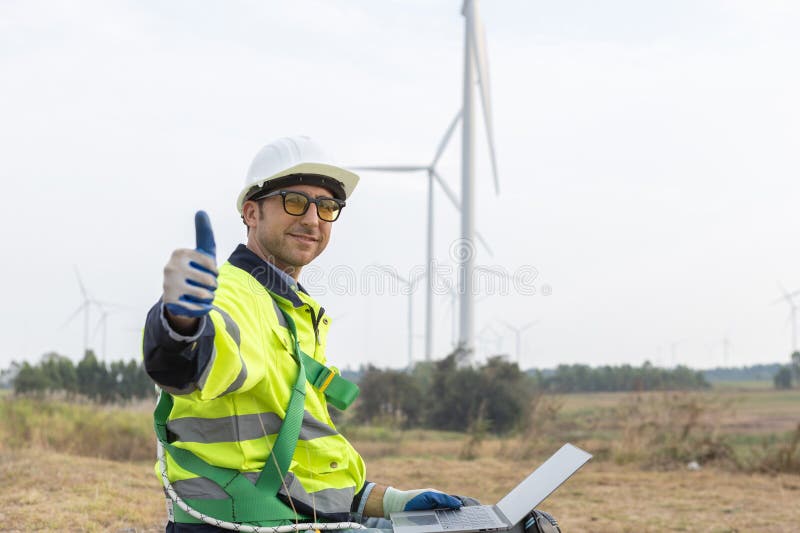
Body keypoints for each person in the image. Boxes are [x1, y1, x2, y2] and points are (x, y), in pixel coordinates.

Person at [142, 136, 560, 533]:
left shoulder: (292, 311)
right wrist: (180, 325)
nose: (312, 219)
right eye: (294, 202)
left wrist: (393, 502)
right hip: (248, 522)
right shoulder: (234, 294)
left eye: (326, 207)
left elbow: (306, 469)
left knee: (487, 519)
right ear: (252, 213)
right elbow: (192, 362)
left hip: (300, 516)